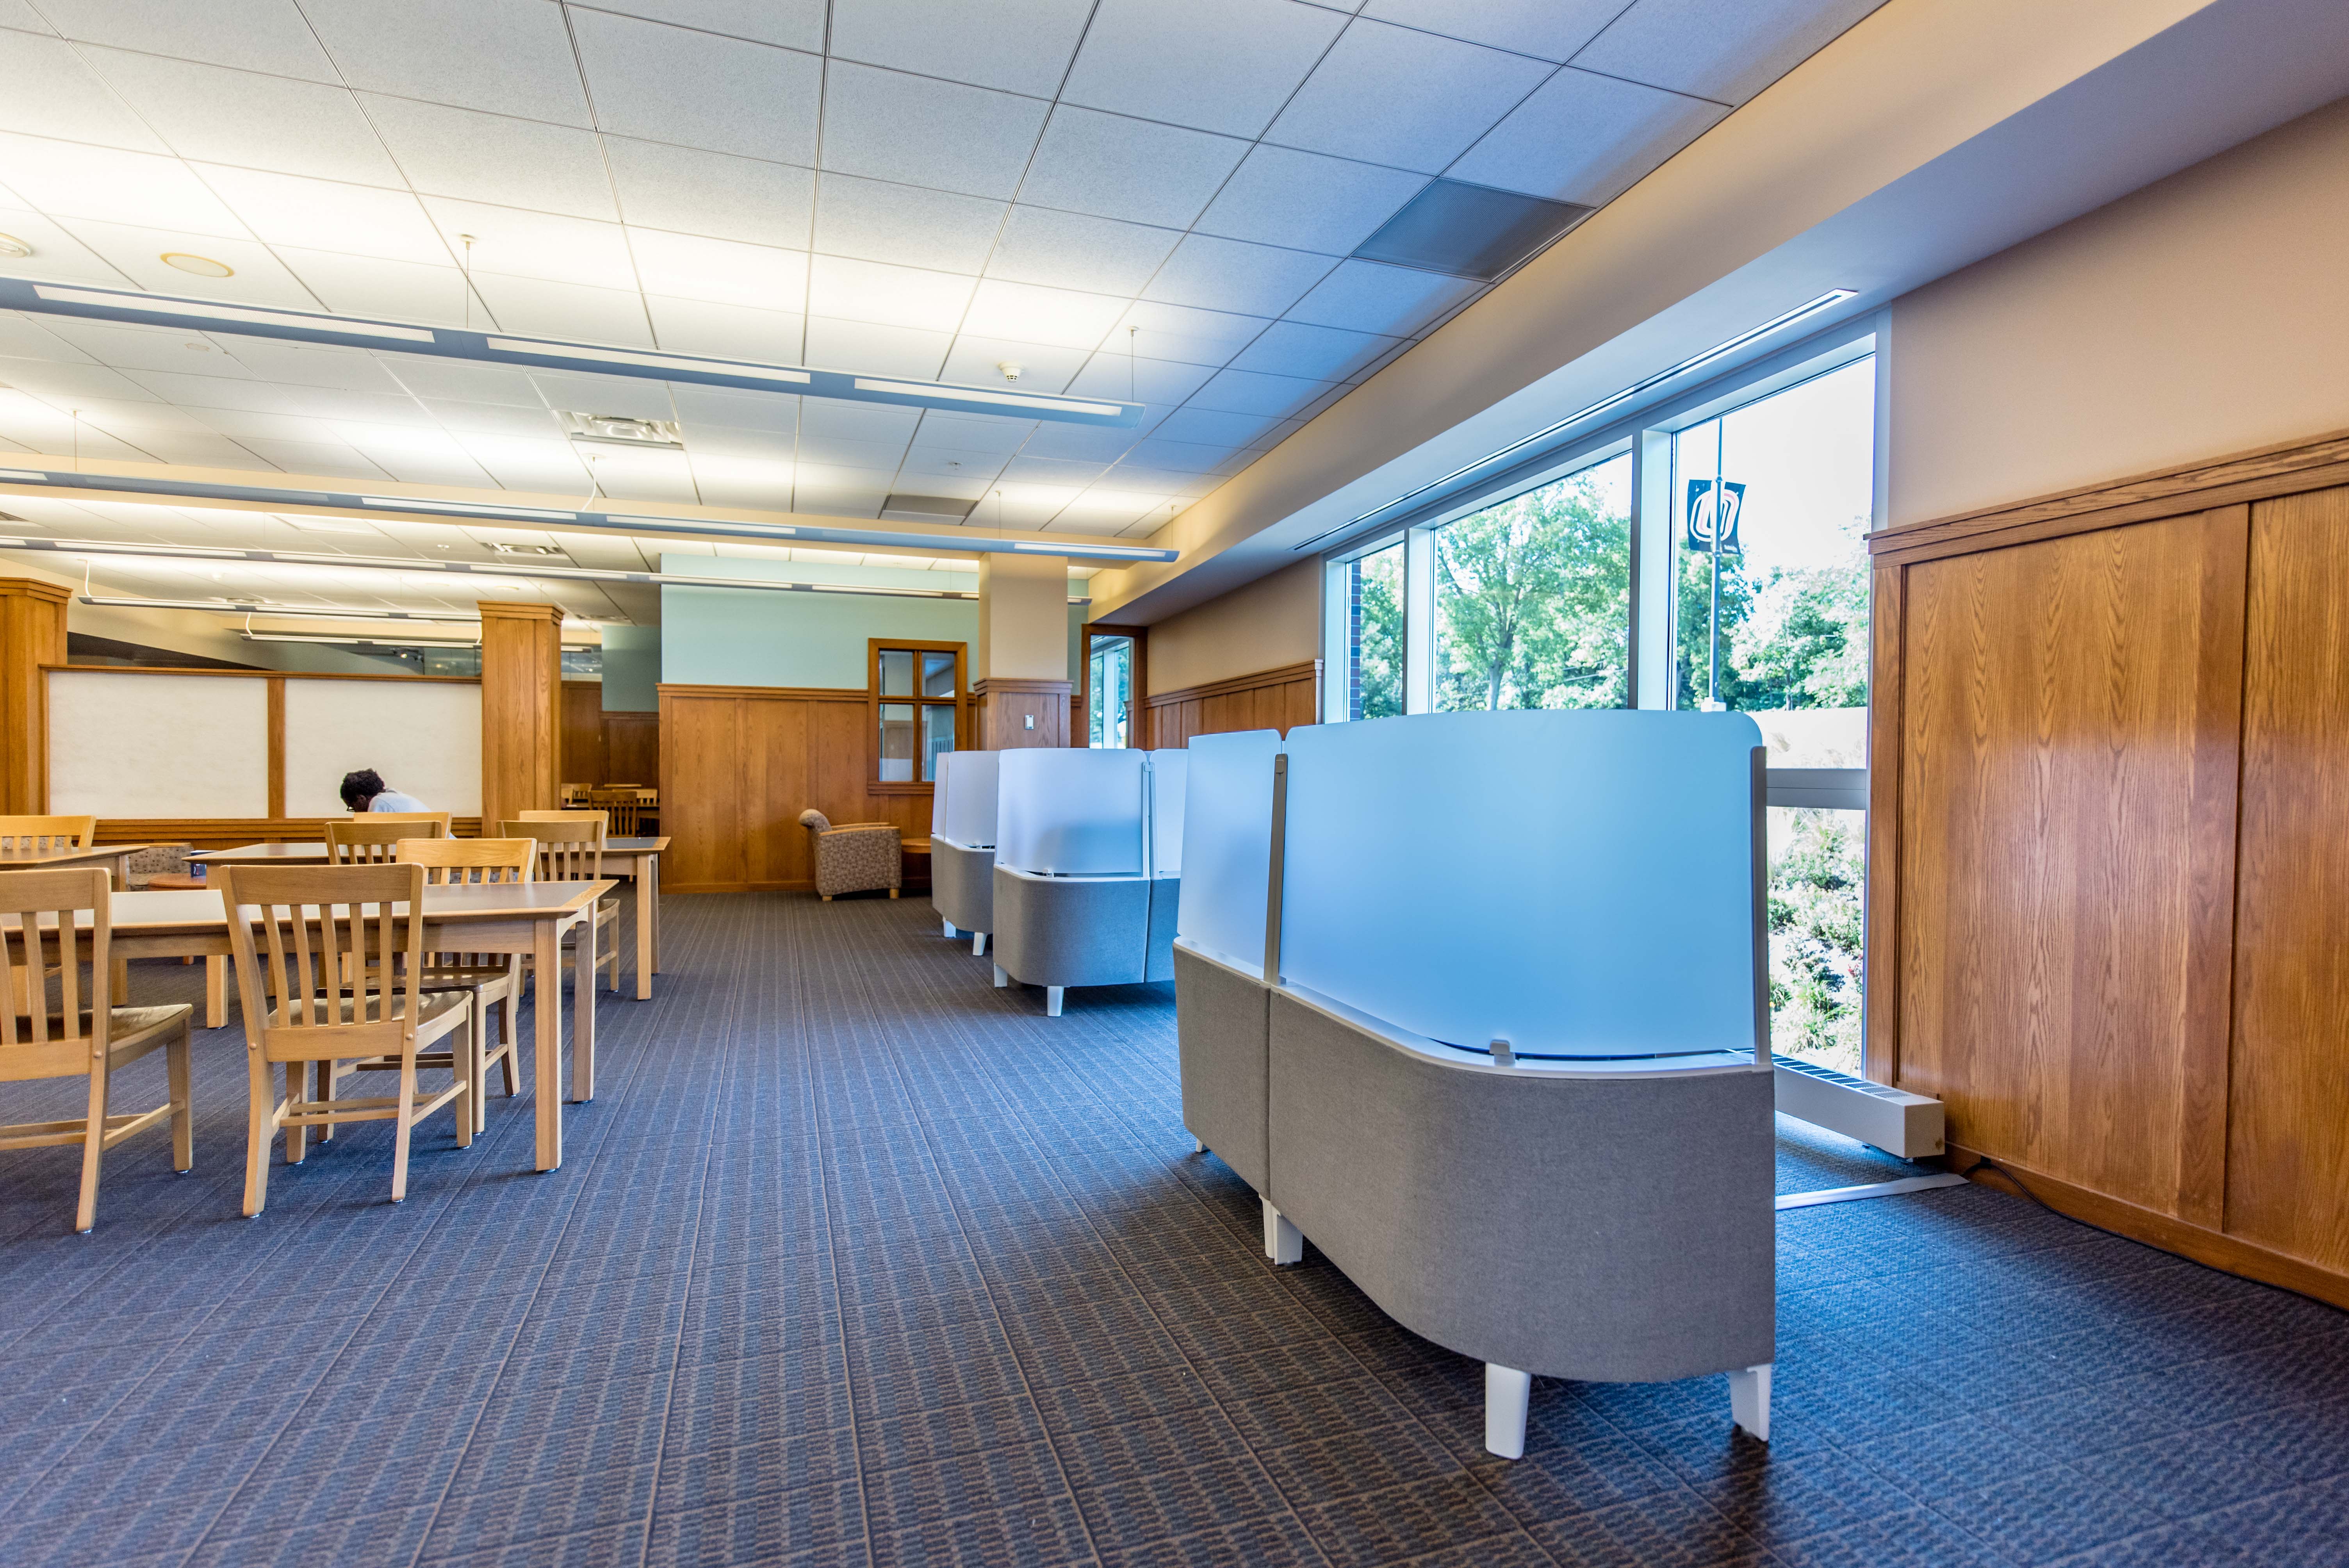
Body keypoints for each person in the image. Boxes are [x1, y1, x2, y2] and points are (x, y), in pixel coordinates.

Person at [339, 769, 431, 814]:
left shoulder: (378, 802)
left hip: (408, 851)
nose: (356, 814)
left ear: (361, 799)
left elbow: (369, 839)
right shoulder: (400, 798)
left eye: (353, 808)